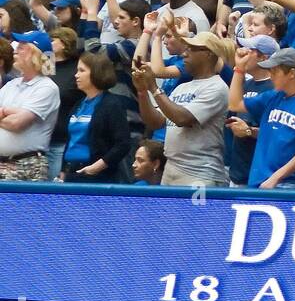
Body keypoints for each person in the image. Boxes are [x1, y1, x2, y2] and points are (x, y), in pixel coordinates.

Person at [132, 30, 232, 187]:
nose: (184, 54)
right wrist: (143, 91)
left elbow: (182, 118)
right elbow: (156, 122)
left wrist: (153, 87)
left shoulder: (217, 87)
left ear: (209, 54)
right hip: (171, 169)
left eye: (191, 49)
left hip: (201, 173)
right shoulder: (181, 88)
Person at [227, 46, 295, 190]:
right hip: (258, 180)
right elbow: (235, 104)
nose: (270, 75)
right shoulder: (273, 96)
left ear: (291, 73)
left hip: (288, 184)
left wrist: (275, 178)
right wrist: (240, 69)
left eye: (274, 71)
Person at [61, 51, 131, 183]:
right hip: (72, 172)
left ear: (96, 73)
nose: (76, 75)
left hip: (98, 177)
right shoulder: (78, 104)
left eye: (82, 70)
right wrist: (63, 170)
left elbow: (123, 143)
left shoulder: (111, 104)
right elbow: (70, 140)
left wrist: (96, 167)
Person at [0, 31, 61, 181]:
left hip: (27, 164)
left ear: (35, 54)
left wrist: (4, 112)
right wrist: (9, 113)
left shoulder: (47, 88)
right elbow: (14, 120)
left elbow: (17, 123)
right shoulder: (11, 85)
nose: (15, 50)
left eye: (22, 47)